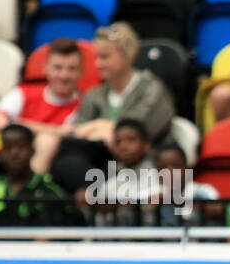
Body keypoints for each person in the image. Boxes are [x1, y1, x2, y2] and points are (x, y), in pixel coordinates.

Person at [45, 24, 176, 193]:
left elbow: (135, 133)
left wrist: (98, 127)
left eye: (105, 57)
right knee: (66, 164)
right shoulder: (94, 94)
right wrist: (98, 127)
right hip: (102, 163)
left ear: (127, 56)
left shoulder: (152, 89)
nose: (98, 64)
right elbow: (77, 133)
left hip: (145, 167)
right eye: (96, 57)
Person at [0, 38, 84, 186]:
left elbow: (68, 134)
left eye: (71, 69)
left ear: (81, 71)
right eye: (58, 68)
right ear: (45, 68)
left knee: (46, 141)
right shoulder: (23, 93)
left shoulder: (84, 105)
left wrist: (17, 123)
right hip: (3, 162)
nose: (64, 75)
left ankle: (26, 201)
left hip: (49, 172)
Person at [0, 125, 72, 227]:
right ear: (0, 155)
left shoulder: (50, 191)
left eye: (21, 147)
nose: (14, 153)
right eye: (8, 148)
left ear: (32, 151)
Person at [76, 119, 158, 226]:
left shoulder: (160, 176)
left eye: (131, 140)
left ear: (147, 145)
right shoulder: (109, 185)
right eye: (118, 142)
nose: (124, 147)